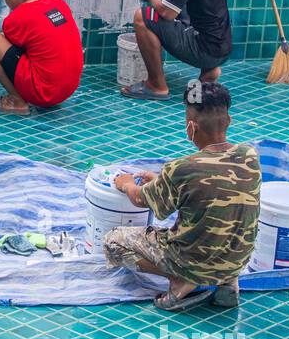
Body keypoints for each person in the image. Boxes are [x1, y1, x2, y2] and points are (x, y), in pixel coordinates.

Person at [103, 81, 261, 312]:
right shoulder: (250, 155)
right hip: (238, 260)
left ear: (191, 128)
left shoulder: (181, 169)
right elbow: (209, 187)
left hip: (192, 262)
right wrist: (161, 181)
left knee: (113, 242)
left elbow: (139, 199)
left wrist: (125, 184)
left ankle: (181, 279)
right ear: (228, 121)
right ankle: (228, 282)